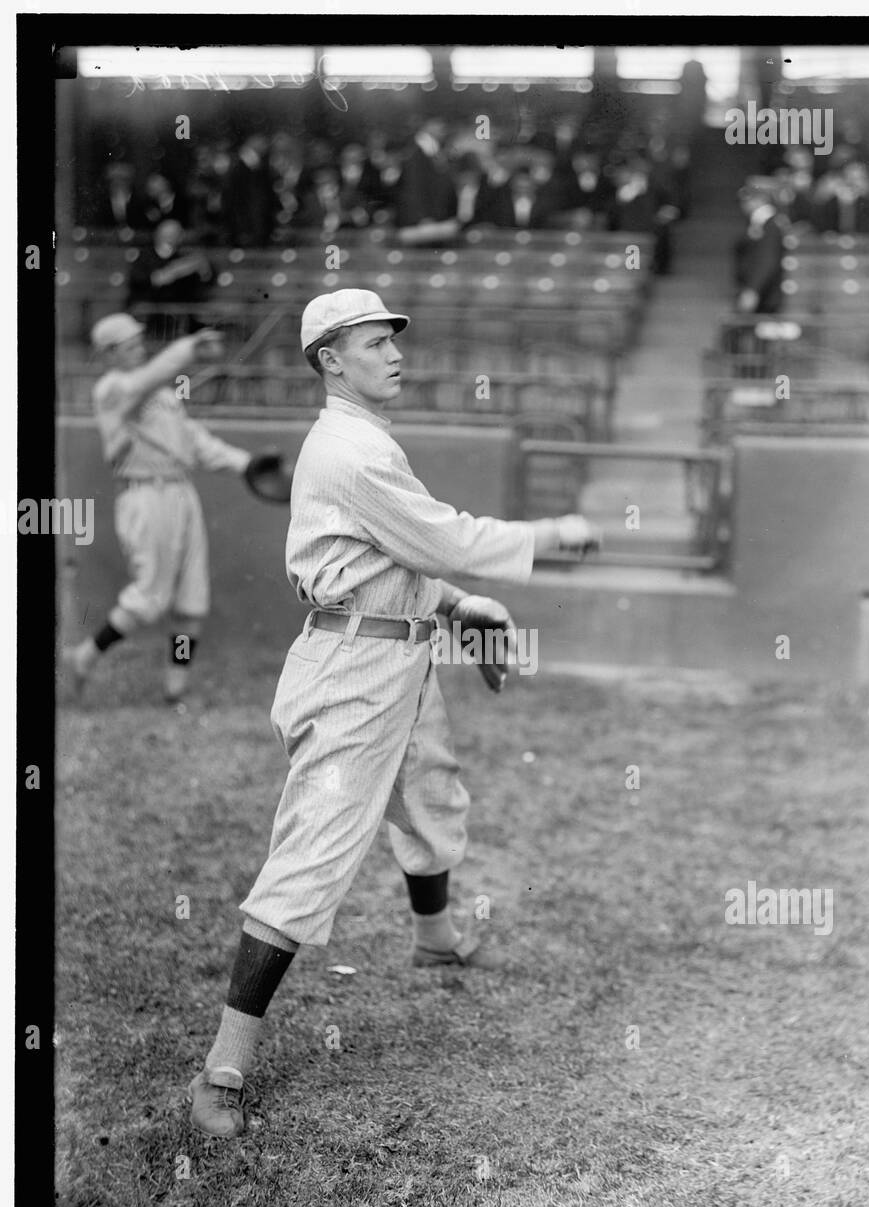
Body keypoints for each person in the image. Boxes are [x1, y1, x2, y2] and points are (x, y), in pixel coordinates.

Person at [188, 287, 599, 1138]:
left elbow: (399, 559)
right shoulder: (347, 449)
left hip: (397, 648)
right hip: (351, 667)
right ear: (330, 361)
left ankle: (436, 939)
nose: (393, 354)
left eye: (392, 341)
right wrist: (554, 531)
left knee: (431, 796)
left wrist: (457, 607)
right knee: (314, 851)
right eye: (372, 344)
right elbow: (444, 538)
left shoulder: (364, 438)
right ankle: (221, 1070)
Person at [63, 315, 253, 704]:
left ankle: (175, 689)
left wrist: (247, 464)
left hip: (181, 494)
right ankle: (85, 656)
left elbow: (195, 443)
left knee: (190, 600)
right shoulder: (111, 389)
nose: (139, 349)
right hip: (144, 496)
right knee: (149, 597)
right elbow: (144, 380)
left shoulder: (164, 396)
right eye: (129, 345)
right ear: (109, 353)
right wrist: (188, 349)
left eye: (139, 341)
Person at [734, 177, 784, 314]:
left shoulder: (769, 225)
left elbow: (767, 259)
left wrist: (753, 289)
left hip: (764, 295)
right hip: (757, 292)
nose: (744, 204)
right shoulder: (759, 223)